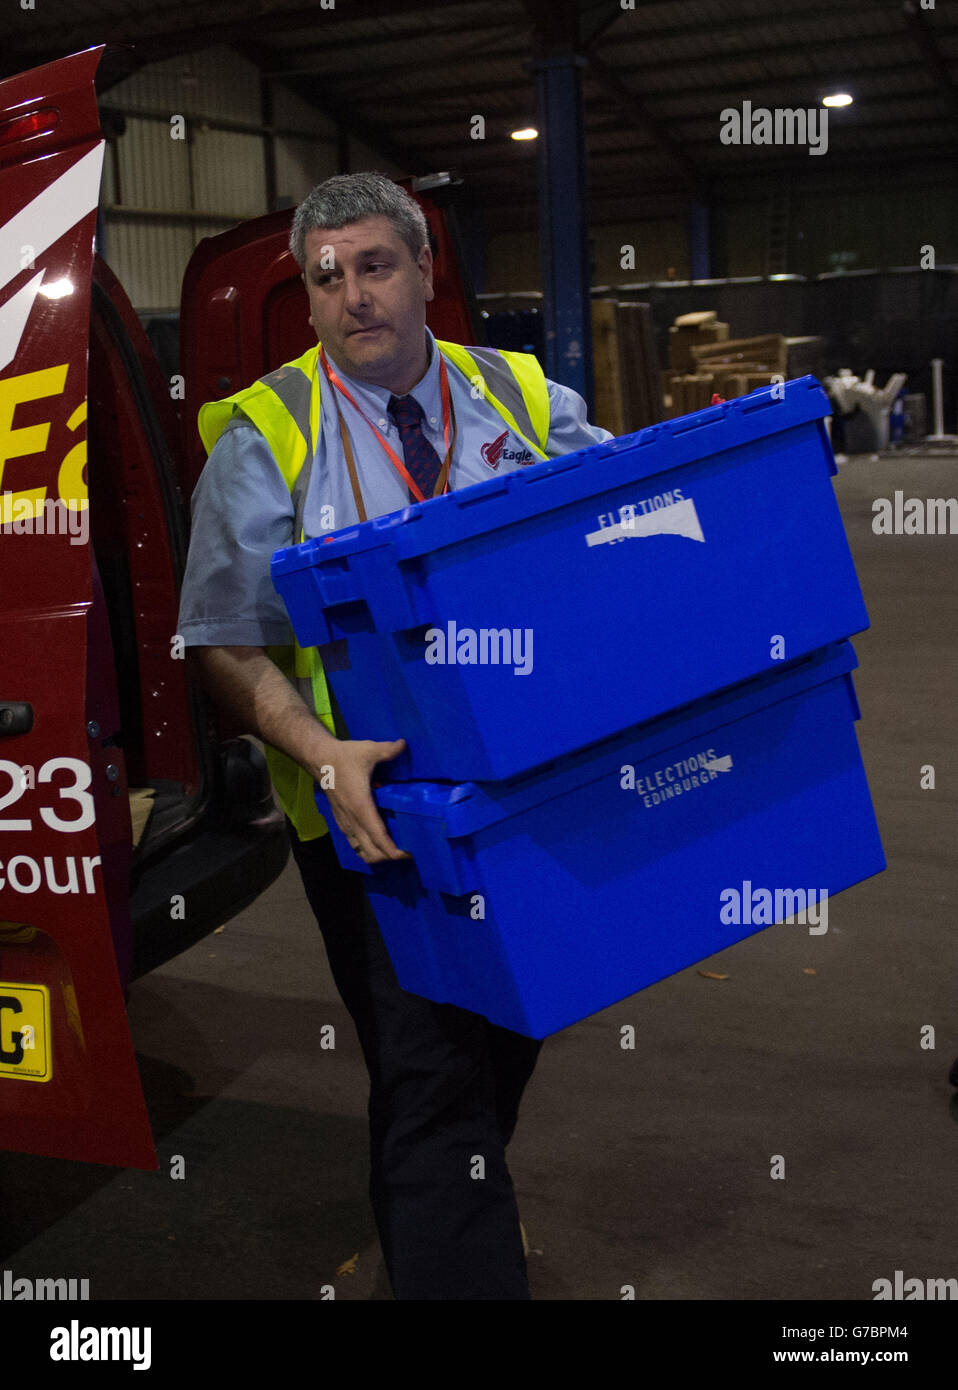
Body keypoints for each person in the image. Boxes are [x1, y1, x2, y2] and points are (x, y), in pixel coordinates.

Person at [177, 172, 612, 1299]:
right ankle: (451, 1258)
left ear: (425, 273)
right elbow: (222, 639)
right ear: (309, 299)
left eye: (375, 266)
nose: (353, 296)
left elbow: (615, 532)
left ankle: (435, 1212)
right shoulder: (267, 437)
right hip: (369, 811)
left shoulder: (520, 398)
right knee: (428, 1066)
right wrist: (321, 756)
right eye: (326, 278)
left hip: (520, 794)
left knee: (506, 1028)